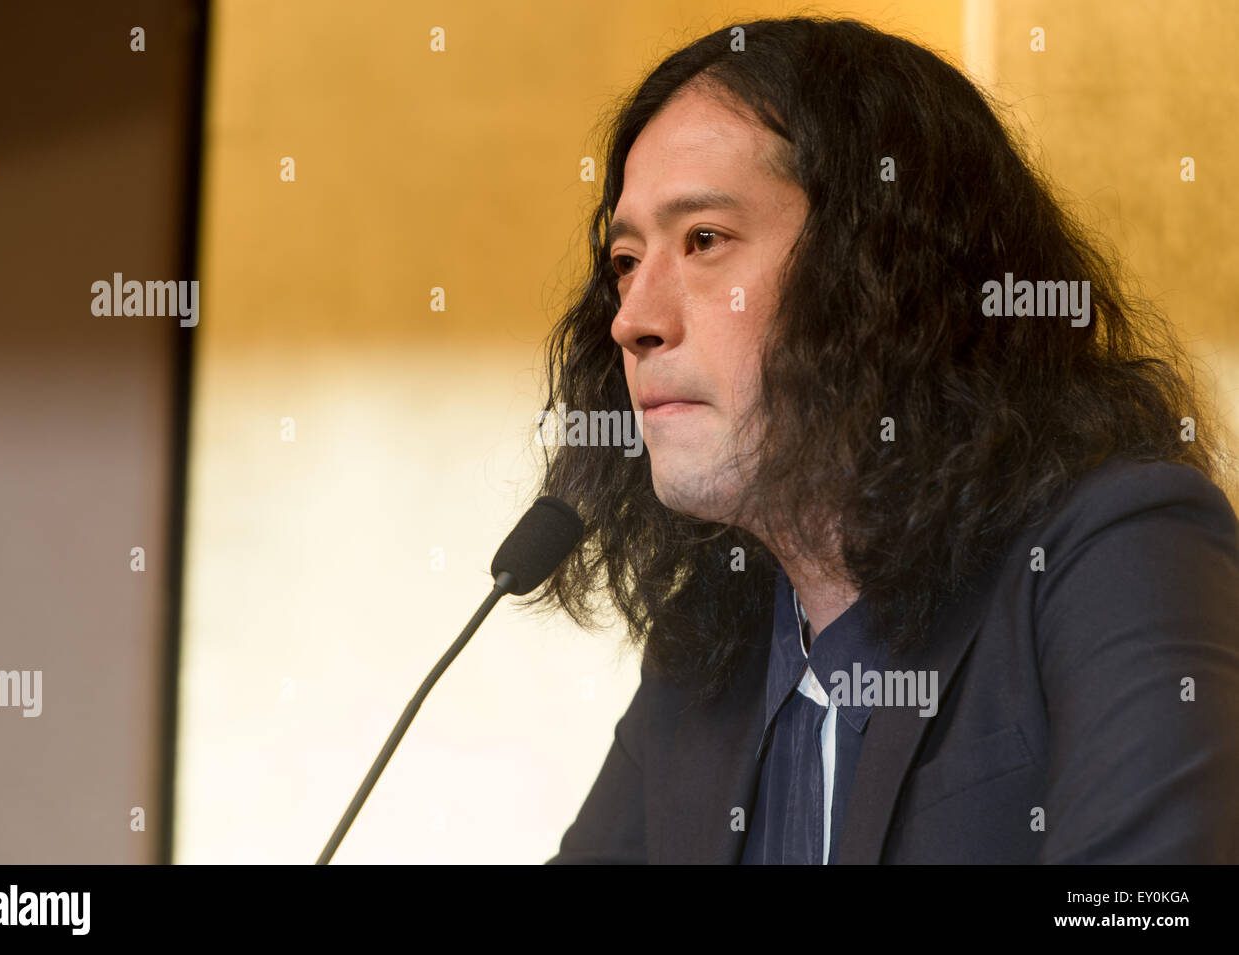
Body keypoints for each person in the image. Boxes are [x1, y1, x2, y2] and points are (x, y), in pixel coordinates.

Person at [522, 15, 1239, 863]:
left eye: (704, 240)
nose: (632, 319)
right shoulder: (707, 647)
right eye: (626, 261)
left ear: (884, 272)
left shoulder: (1119, 546)